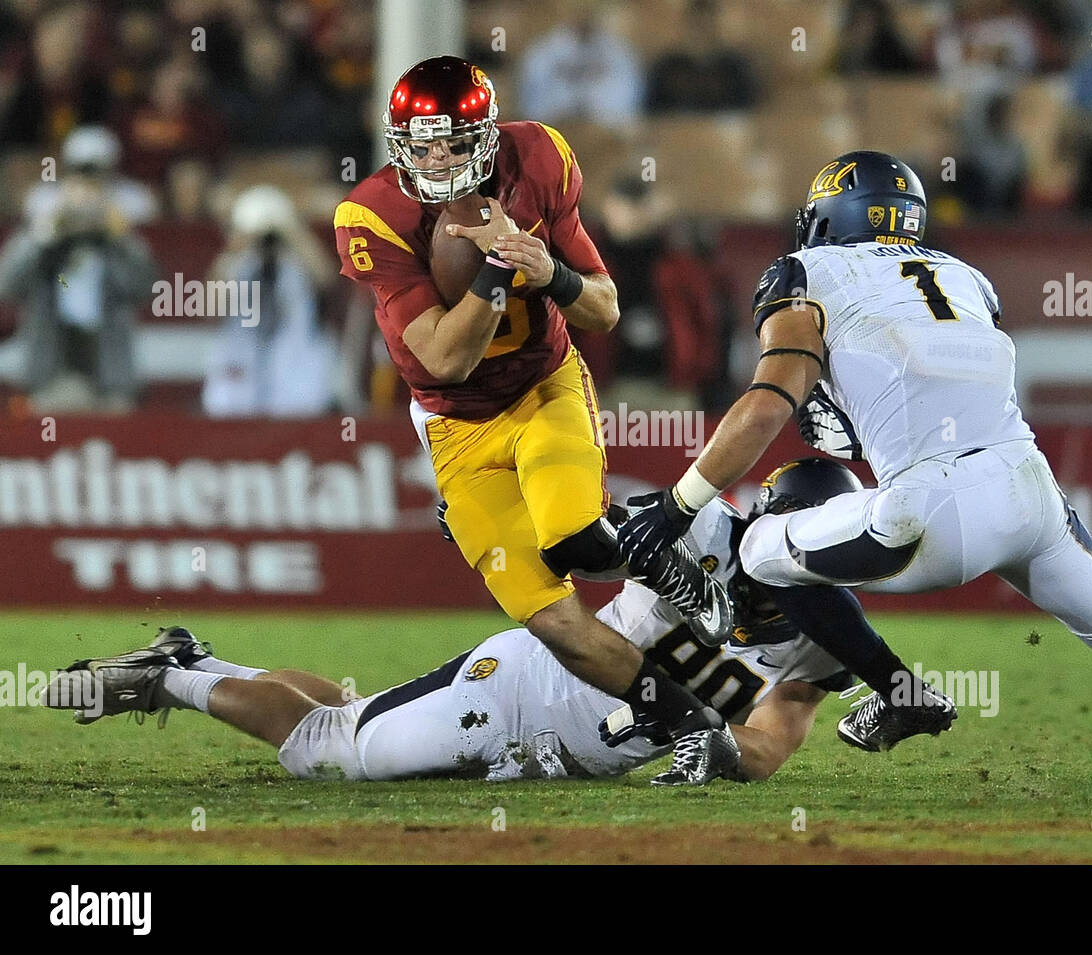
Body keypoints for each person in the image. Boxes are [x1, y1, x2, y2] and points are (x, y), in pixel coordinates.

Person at [617, 150, 1092, 794]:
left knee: (761, 548)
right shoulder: (966, 277)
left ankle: (899, 693)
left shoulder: (806, 271)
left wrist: (678, 505)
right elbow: (935, 381)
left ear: (829, 218)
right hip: (1028, 488)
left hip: (931, 508)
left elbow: (768, 403)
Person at [332, 56, 733, 785]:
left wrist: (548, 271)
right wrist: (493, 271)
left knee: (573, 534)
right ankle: (693, 723)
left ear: (486, 136)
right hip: (456, 423)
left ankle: (663, 557)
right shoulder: (371, 217)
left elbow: (604, 309)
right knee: (550, 619)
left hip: (543, 385)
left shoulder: (539, 159)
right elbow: (441, 363)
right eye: (421, 144)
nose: (438, 159)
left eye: (455, 142)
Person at [41, 464, 871, 786]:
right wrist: (497, 520)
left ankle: (202, 660)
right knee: (333, 751)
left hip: (572, 759)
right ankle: (174, 673)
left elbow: (768, 746)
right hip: (518, 690)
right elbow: (577, 535)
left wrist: (718, 742)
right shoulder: (701, 532)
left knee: (357, 710)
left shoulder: (826, 637)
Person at [0, 127, 157, 412]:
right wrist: (46, 234)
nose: (87, 186)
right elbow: (8, 283)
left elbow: (145, 286)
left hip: (110, 374)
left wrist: (115, 234)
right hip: (53, 373)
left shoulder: (120, 220)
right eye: (80, 174)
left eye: (96, 176)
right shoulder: (45, 215)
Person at [202, 185, 339, 417]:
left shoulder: (297, 264)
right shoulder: (236, 263)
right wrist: (239, 242)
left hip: (293, 373)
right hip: (242, 373)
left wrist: (289, 228)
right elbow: (209, 309)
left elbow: (327, 278)